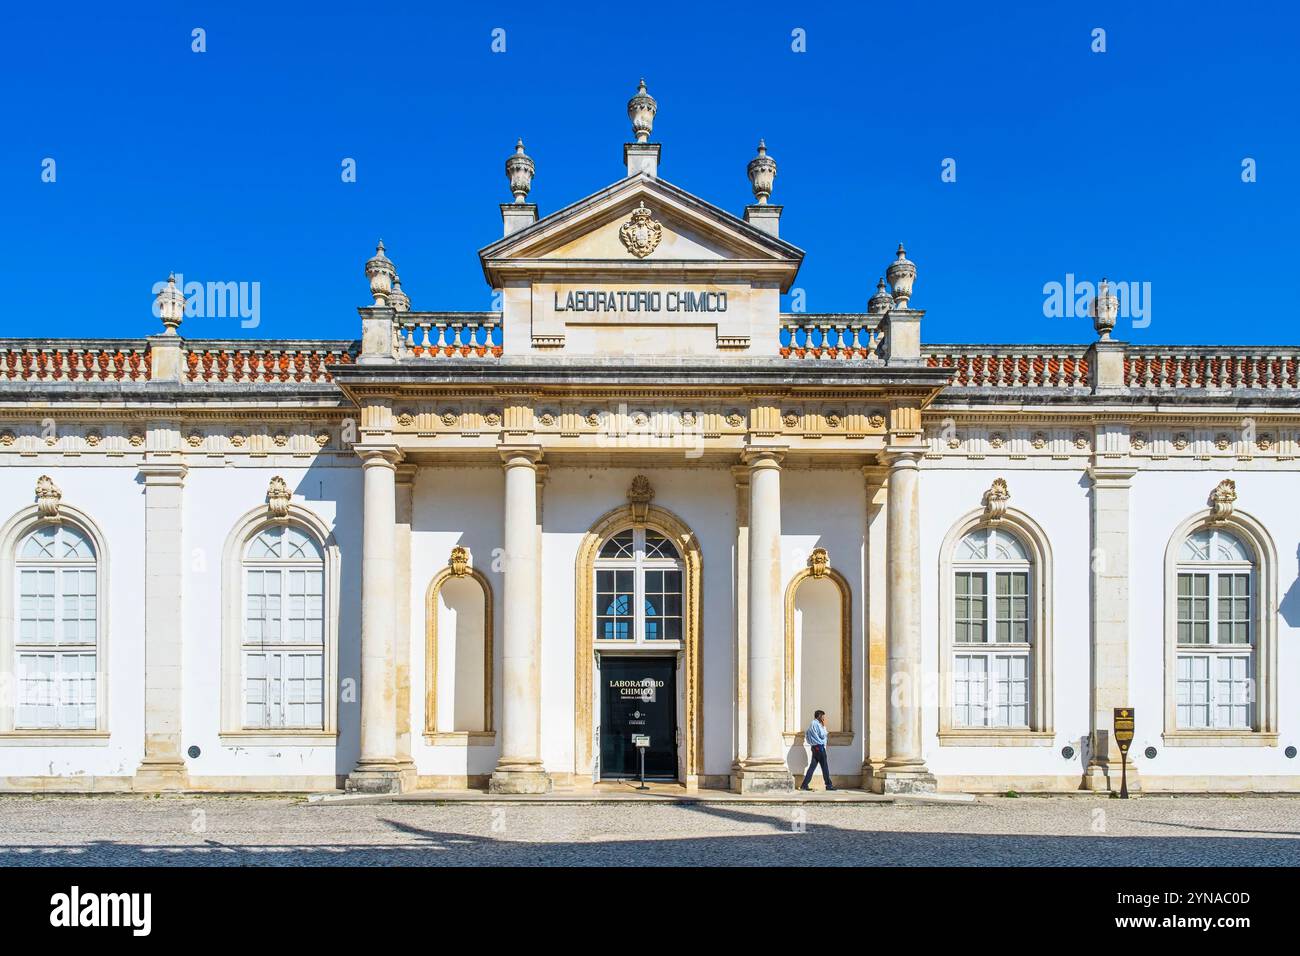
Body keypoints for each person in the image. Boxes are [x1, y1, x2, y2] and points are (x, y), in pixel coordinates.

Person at [800, 709, 834, 791]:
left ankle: (804, 785)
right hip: (820, 748)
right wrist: (824, 726)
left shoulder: (811, 724)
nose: (823, 718)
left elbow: (807, 736)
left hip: (814, 748)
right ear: (819, 716)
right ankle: (829, 785)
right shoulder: (817, 724)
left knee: (812, 767)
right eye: (823, 716)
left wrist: (813, 743)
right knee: (824, 767)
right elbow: (822, 735)